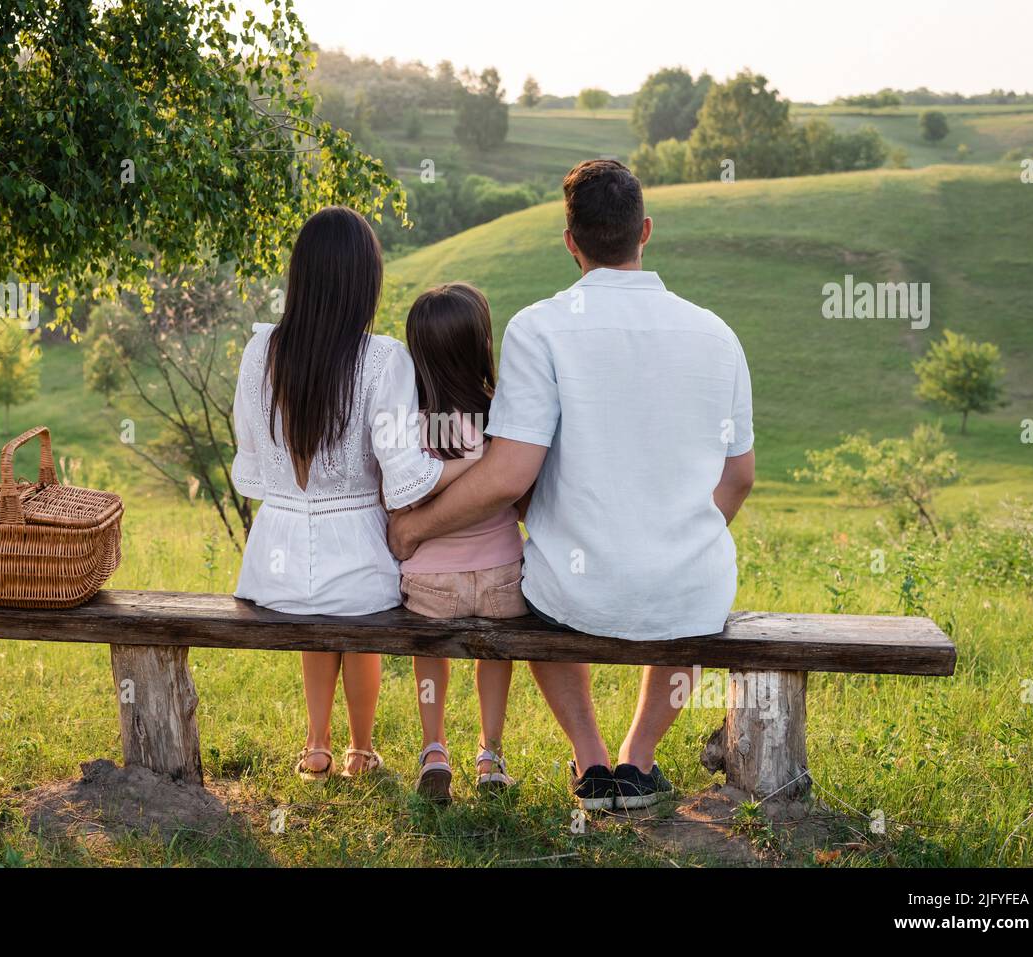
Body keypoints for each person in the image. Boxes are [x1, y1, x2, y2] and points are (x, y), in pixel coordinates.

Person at [388, 159, 756, 810]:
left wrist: (415, 526)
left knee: (541, 585)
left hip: (574, 584)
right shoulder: (719, 336)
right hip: (689, 584)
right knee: (695, 597)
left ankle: (591, 760)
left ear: (570, 240)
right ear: (645, 231)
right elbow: (739, 477)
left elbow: (508, 475)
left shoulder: (540, 328)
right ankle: (637, 761)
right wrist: (677, 539)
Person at [231, 206, 472, 782]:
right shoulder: (383, 359)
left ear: (302, 275)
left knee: (319, 620)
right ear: (364, 281)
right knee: (356, 618)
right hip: (358, 557)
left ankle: (317, 745)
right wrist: (474, 463)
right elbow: (408, 476)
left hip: (273, 565)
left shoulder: (261, 352)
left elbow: (252, 464)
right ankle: (360, 751)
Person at [398, 283, 526, 804]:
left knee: (431, 651)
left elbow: (400, 503)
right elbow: (519, 498)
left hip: (430, 583)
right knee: (494, 655)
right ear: (481, 345)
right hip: (502, 578)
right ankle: (490, 756)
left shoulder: (410, 422)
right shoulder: (502, 416)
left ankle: (434, 748)